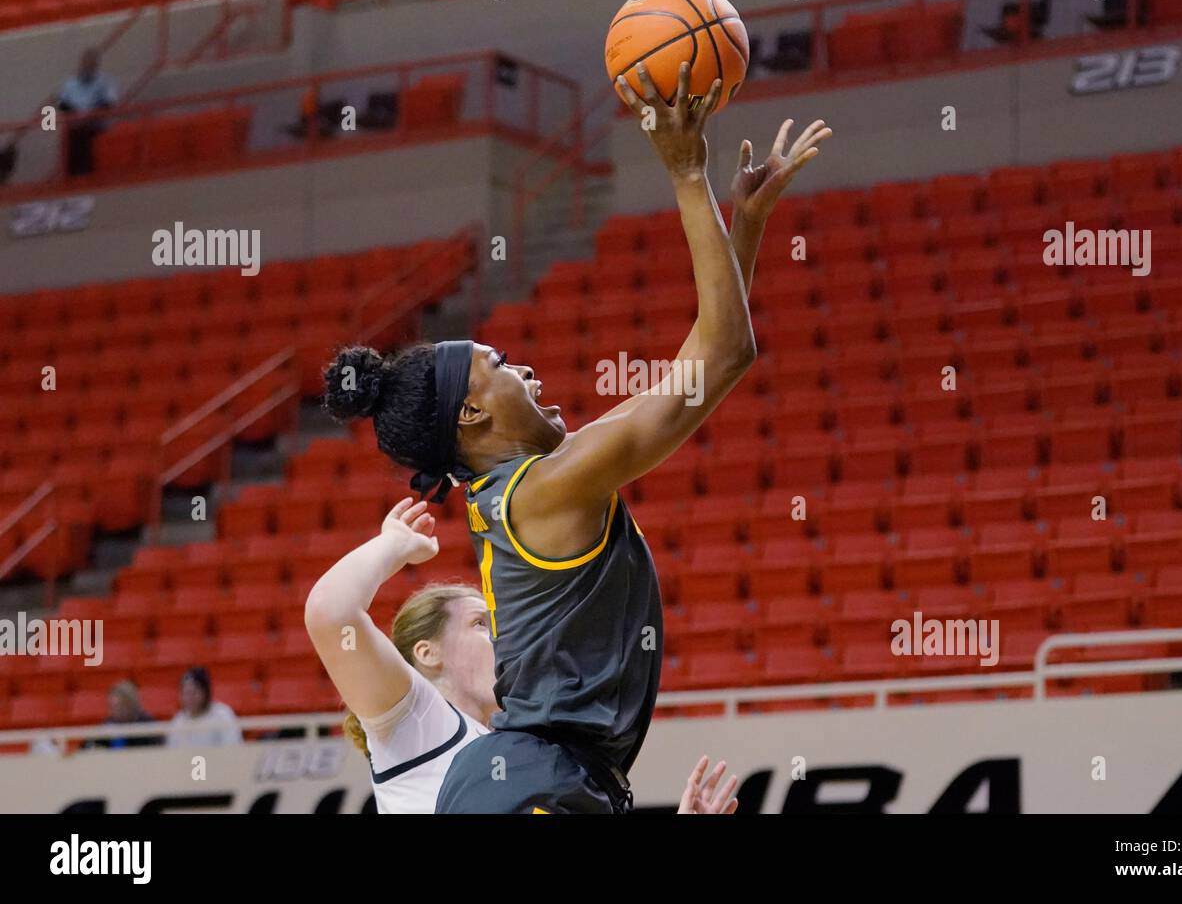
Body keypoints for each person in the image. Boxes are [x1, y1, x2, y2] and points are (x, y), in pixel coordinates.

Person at [322, 60, 828, 813]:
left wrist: (743, 228)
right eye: (498, 365)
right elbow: (720, 356)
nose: (522, 367)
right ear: (471, 415)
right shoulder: (547, 490)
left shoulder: (537, 485)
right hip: (532, 778)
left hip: (553, 777)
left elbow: (710, 353)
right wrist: (688, 174)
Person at [306, 497, 739, 814]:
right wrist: (394, 545)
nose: (501, 637)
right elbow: (331, 614)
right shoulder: (415, 720)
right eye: (480, 625)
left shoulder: (523, 749)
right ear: (427, 652)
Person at [57, 48, 118, 176]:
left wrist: (89, 117)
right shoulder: (70, 83)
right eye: (86, 63)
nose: (88, 67)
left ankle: (89, 176)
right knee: (71, 146)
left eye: (92, 64)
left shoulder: (105, 81)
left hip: (96, 126)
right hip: (75, 126)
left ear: (96, 65)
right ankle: (71, 179)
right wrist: (76, 118)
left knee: (88, 149)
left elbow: (108, 103)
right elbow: (63, 104)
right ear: (81, 64)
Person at [165, 667, 242, 749]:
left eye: (194, 692)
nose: (189, 697)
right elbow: (172, 753)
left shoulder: (222, 715)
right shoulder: (178, 721)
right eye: (186, 693)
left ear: (205, 692)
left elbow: (233, 748)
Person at [82, 680, 164, 750]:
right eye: (113, 707)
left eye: (120, 707)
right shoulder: (108, 726)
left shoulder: (148, 726)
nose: (116, 711)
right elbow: (88, 746)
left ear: (132, 704)